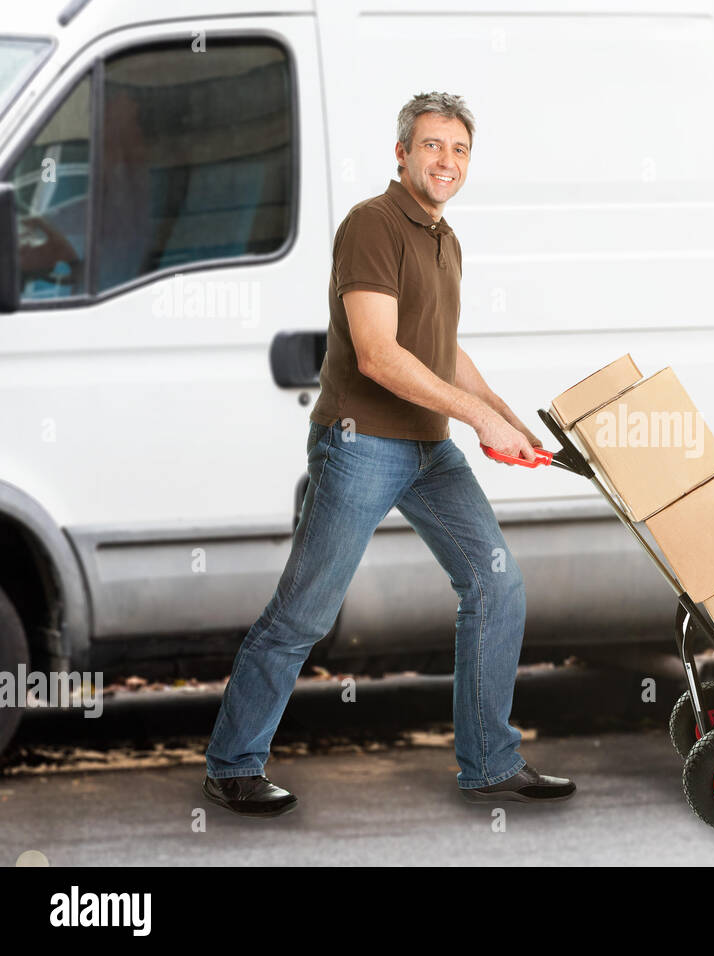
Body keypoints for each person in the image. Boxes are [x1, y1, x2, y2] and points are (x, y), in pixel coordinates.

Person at [202, 91, 575, 816]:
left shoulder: (445, 238)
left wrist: (502, 417)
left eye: (460, 149)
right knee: (305, 613)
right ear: (401, 153)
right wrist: (474, 417)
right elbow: (377, 355)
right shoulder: (372, 225)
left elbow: (441, 347)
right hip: (362, 443)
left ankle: (490, 764)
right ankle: (232, 764)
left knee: (496, 585)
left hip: (428, 449)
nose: (447, 160)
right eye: (433, 145)